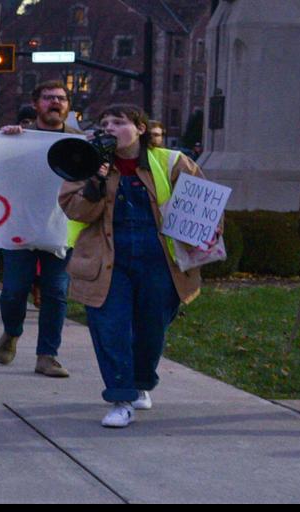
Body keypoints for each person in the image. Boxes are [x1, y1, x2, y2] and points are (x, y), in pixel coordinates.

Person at [59, 105, 219, 428]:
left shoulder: (171, 162)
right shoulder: (87, 163)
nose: (110, 128)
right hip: (107, 260)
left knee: (150, 330)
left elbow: (204, 206)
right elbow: (75, 210)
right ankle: (120, 398)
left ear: (141, 129)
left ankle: (141, 381)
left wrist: (206, 237)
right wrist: (95, 181)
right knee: (110, 328)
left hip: (159, 261)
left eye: (119, 122)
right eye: (104, 123)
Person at [0, 81, 84, 378]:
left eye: (61, 98)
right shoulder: (21, 138)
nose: (55, 102)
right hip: (20, 225)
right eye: (48, 98)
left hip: (60, 227)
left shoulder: (80, 142)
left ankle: (47, 355)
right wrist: (6, 142)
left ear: (68, 105)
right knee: (13, 291)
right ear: (36, 104)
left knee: (55, 292)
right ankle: (12, 331)